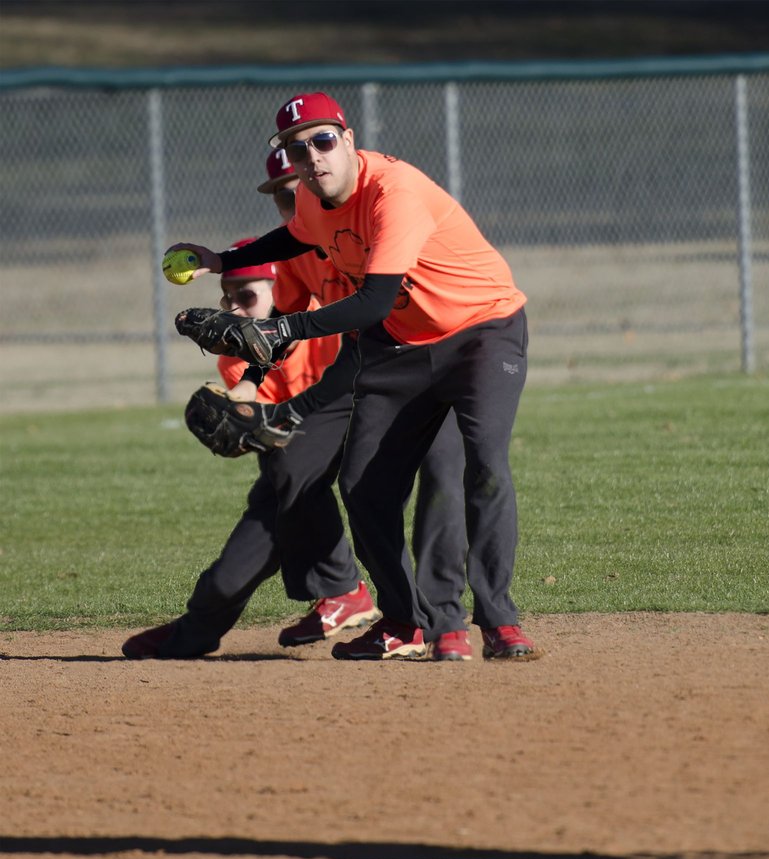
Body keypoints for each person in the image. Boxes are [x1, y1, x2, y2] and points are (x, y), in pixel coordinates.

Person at [168, 92, 539, 661]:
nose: (312, 157)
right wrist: (223, 260)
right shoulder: (311, 198)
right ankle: (404, 619)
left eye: (322, 141)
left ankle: (498, 621)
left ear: (347, 138)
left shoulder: (394, 193)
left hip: (480, 330)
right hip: (399, 345)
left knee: (482, 465)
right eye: (298, 149)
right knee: (364, 486)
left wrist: (281, 330)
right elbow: (297, 236)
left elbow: (373, 302)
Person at [122, 236, 378, 659]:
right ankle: (195, 630)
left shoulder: (326, 323)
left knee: (295, 467)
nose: (235, 307)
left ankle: (349, 591)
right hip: (289, 460)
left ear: (286, 289)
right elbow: (269, 438)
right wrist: (241, 431)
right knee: (228, 574)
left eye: (247, 295)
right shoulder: (235, 358)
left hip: (353, 423)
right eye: (228, 298)